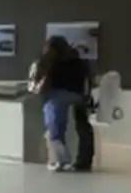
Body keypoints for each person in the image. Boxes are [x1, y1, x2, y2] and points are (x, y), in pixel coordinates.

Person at [31, 36, 91, 171]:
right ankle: (65, 157)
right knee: (57, 118)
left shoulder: (50, 62)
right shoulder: (79, 62)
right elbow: (85, 83)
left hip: (57, 97)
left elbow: (41, 84)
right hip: (76, 97)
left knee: (54, 121)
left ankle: (59, 157)